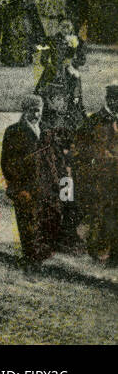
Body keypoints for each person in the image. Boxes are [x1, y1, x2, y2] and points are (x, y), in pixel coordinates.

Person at [1, 94, 65, 267]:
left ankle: (42, 255)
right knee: (28, 224)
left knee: (48, 220)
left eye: (39, 110)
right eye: (33, 111)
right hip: (26, 189)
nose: (36, 115)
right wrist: (18, 188)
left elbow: (57, 159)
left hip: (47, 187)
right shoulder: (13, 132)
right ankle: (31, 260)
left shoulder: (46, 130)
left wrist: (61, 183)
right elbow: (7, 164)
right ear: (25, 111)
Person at [77, 83, 118, 265]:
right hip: (100, 177)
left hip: (114, 176)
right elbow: (92, 150)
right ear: (110, 100)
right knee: (101, 213)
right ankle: (98, 250)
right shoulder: (96, 121)